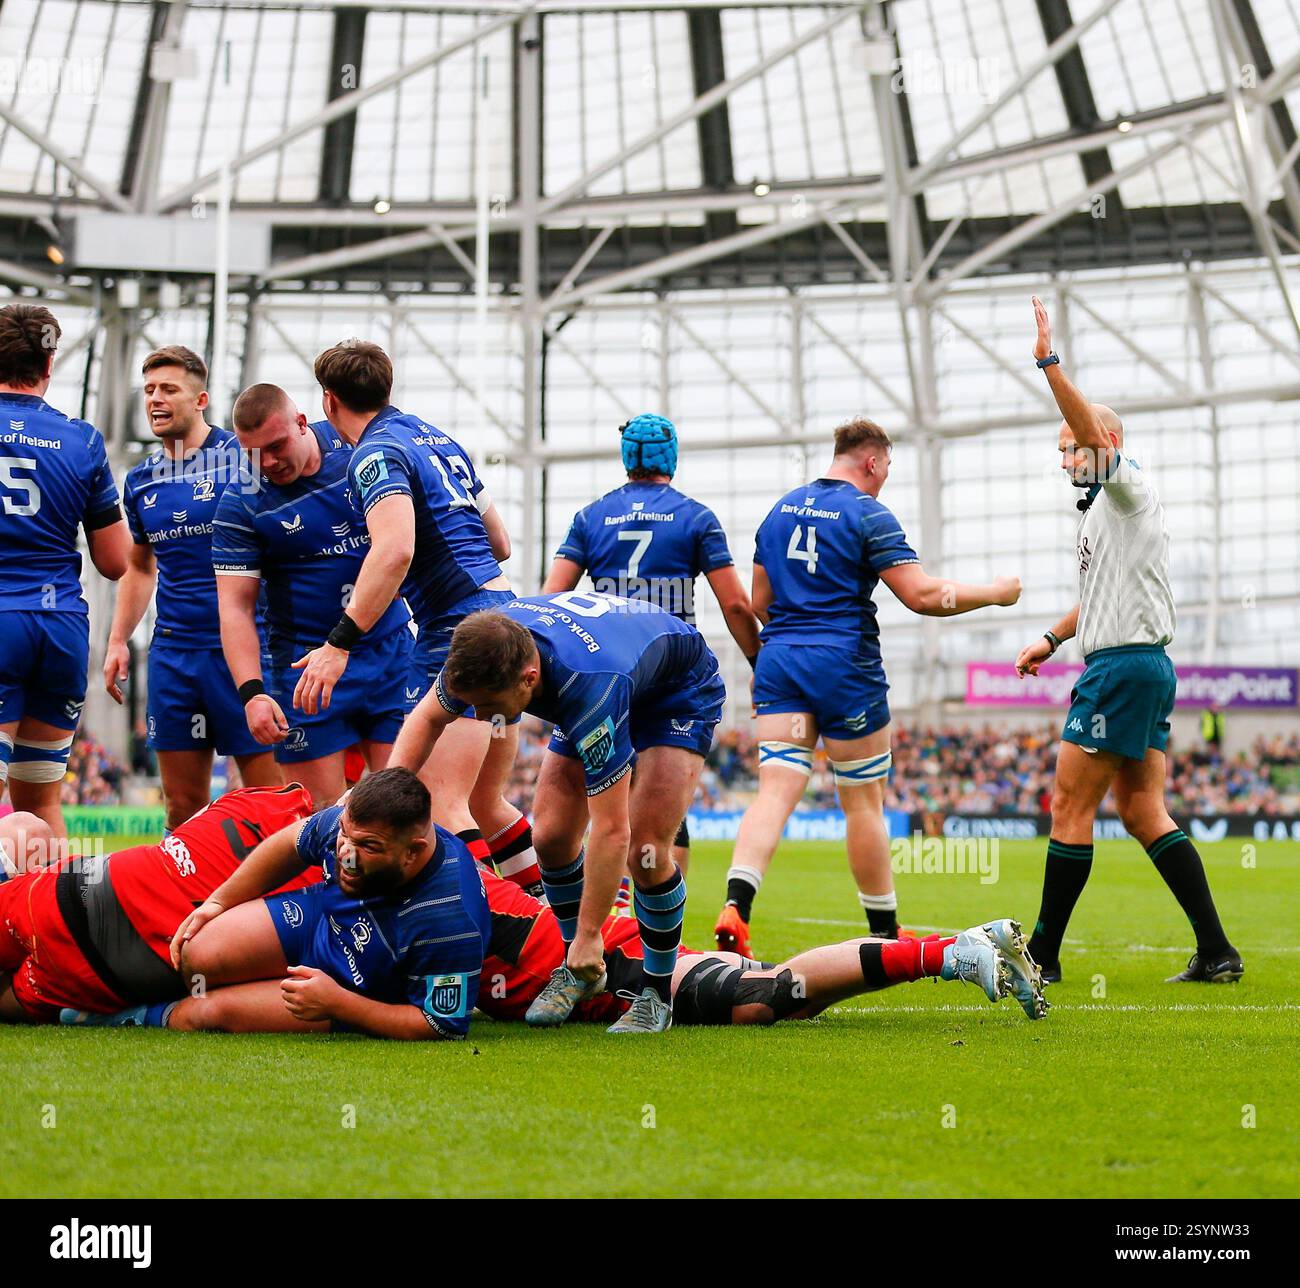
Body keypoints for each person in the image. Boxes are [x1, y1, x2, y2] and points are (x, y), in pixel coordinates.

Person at [714, 417, 1021, 957]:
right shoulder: (867, 514)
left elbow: (759, 604)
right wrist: (995, 593)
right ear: (872, 461)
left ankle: (737, 904)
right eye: (886, 470)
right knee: (862, 803)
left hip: (781, 663)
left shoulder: (779, 511)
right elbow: (923, 596)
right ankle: (885, 933)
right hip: (845, 666)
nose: (884, 480)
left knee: (775, 791)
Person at [1013, 295, 1241, 985]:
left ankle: (1043, 957)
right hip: (1142, 664)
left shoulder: (1127, 488)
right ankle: (1218, 951)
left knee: (1067, 806)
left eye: (1068, 449)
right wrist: (1050, 640)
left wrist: (1049, 365)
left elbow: (1091, 429)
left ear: (1100, 447)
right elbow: (1098, 599)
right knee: (1142, 810)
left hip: (1121, 670)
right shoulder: (1101, 518)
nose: (1063, 462)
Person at [391, 593, 725, 1034]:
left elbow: (610, 830)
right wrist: (380, 793)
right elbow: (428, 719)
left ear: (529, 679)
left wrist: (592, 934)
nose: (478, 715)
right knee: (549, 836)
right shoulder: (485, 645)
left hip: (676, 693)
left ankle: (655, 994)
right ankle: (576, 971)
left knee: (645, 849)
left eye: (488, 706)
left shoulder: (591, 689)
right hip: (607, 668)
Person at [292, 341, 536, 887]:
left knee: (443, 807)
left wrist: (338, 643)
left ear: (329, 403)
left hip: (460, 629)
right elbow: (499, 541)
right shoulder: (439, 439)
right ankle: (548, 923)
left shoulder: (374, 453)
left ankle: (495, 935)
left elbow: (394, 549)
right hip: (508, 618)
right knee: (486, 803)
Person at [90, 769, 491, 1041]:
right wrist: (218, 902)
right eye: (345, 838)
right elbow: (291, 843)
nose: (347, 856)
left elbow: (439, 1025)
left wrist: (340, 1004)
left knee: (205, 1014)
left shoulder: (451, 918)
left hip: (360, 990)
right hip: (319, 922)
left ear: (413, 852)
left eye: (367, 848)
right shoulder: (352, 826)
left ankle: (131, 1017)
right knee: (199, 952)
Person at [543, 413, 760, 876]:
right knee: (661, 813)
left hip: (605, 671)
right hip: (668, 677)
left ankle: (592, 910)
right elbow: (737, 605)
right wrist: (762, 667)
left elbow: (552, 598)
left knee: (577, 815)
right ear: (672, 458)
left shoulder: (589, 517)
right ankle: (653, 914)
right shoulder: (696, 518)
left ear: (627, 458)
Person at [476, 867, 1047, 1025]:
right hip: (625, 961)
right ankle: (957, 947)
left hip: (625, 967)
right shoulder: (434, 888)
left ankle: (951, 955)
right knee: (797, 997)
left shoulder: (448, 893)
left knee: (763, 1000)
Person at [212, 384, 415, 808]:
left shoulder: (361, 451)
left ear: (302, 423)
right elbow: (235, 606)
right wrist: (252, 693)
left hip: (389, 656)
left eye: (276, 446)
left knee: (403, 808)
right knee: (320, 820)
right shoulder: (241, 502)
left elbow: (407, 541)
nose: (267, 462)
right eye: (253, 453)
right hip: (304, 674)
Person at [106, 346, 280, 833]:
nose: (156, 400)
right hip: (174, 656)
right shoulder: (140, 480)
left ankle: (275, 907)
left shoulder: (244, 462)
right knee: (183, 808)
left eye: (169, 389)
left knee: (271, 801)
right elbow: (141, 568)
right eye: (149, 391)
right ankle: (186, 906)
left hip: (247, 651)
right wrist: (119, 640)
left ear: (200, 398)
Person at [0, 783, 319, 1023]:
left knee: (26, 831)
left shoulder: (325, 909)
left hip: (67, 910)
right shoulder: (324, 913)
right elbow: (211, 1010)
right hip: (88, 947)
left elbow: (214, 1010)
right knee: (27, 830)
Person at [0, 302, 129, 838]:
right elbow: (115, 560)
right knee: (40, 805)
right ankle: (45, 921)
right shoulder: (82, 441)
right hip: (61, 629)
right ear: (49, 364)